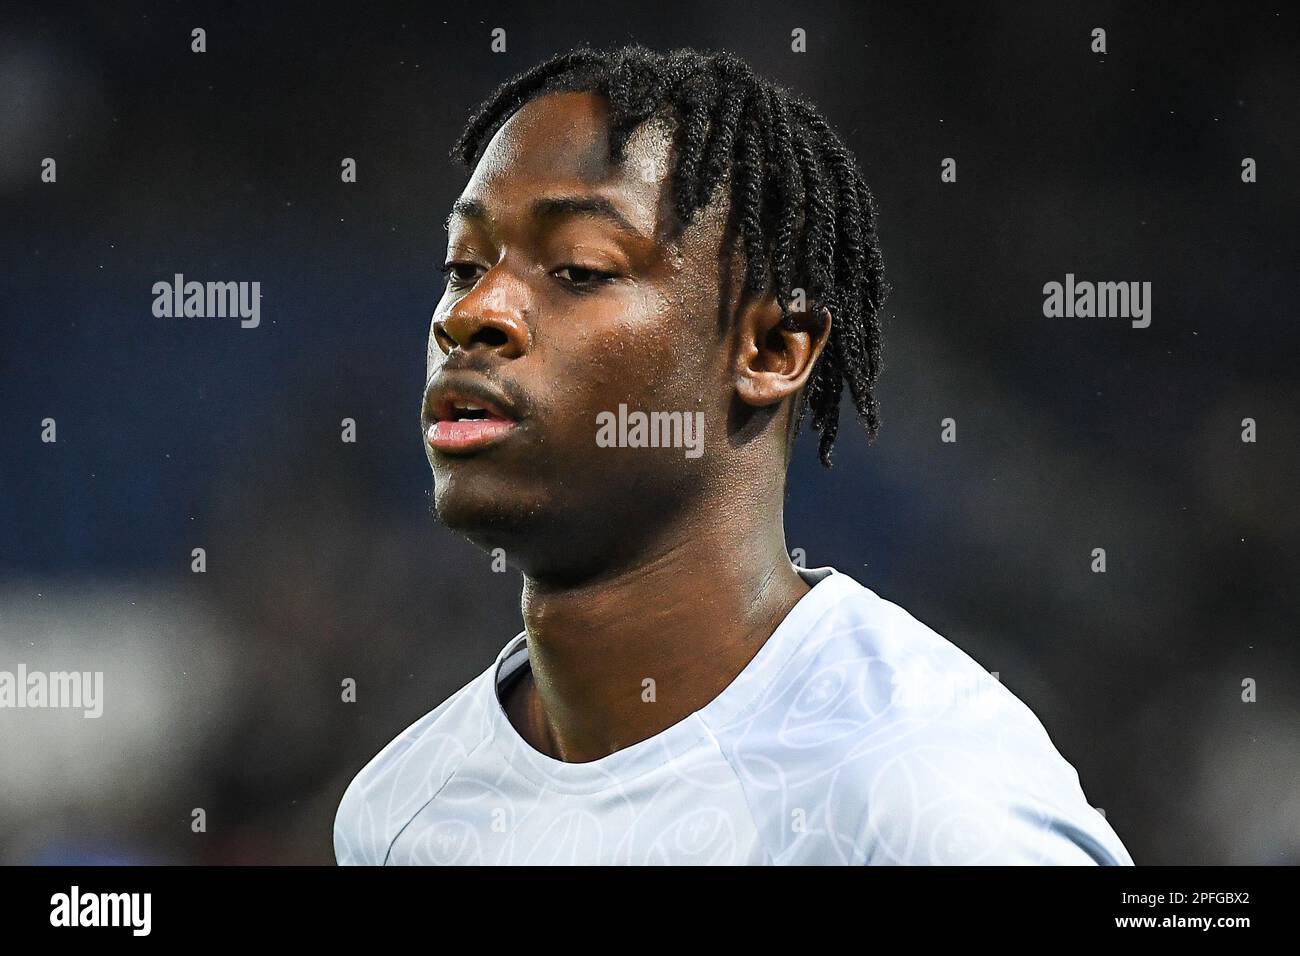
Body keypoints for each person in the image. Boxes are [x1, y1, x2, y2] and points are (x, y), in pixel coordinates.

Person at [334, 44, 1134, 865]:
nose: (474, 311)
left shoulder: (921, 802)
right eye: (464, 264)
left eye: (578, 268)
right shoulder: (404, 813)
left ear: (773, 350)